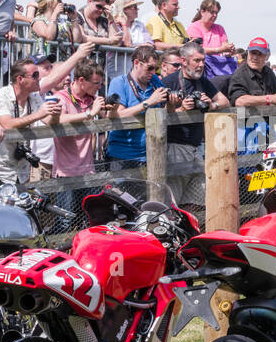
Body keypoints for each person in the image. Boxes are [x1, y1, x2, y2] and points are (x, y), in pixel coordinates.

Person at [160, 41, 229, 205]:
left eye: (203, 61)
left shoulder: (203, 81)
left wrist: (212, 105)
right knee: (172, 201)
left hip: (197, 148)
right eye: (196, 60)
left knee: (198, 201)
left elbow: (225, 101)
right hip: (175, 148)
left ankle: (193, 230)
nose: (201, 65)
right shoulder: (168, 82)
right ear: (184, 61)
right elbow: (156, 115)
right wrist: (180, 110)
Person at [0, 57, 60, 187]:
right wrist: (38, 114)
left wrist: (55, 114)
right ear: (20, 79)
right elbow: (7, 124)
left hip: (20, 173)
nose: (39, 78)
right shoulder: (2, 95)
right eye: (35, 75)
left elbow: (49, 121)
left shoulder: (34, 96)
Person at [48, 59, 111, 217]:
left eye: (101, 83)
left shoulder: (92, 99)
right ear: (81, 80)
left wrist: (112, 108)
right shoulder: (61, 97)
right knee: (66, 219)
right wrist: (89, 113)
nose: (99, 87)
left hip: (88, 170)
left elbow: (110, 118)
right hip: (65, 172)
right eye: (96, 83)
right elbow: (58, 120)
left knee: (93, 215)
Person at [104, 45, 169, 173]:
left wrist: (172, 103)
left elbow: (165, 109)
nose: (153, 72)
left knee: (151, 193)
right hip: (122, 155)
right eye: (149, 68)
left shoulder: (155, 81)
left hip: (151, 154)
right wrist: (148, 102)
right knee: (120, 194)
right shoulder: (119, 82)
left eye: (156, 69)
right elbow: (118, 114)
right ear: (136, 63)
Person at [186, 0, 238, 80]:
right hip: (204, 66)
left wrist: (229, 50)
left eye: (216, 13)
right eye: (212, 12)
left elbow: (225, 45)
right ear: (202, 12)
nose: (215, 15)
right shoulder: (194, 27)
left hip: (218, 64)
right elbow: (197, 50)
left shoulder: (219, 28)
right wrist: (220, 49)